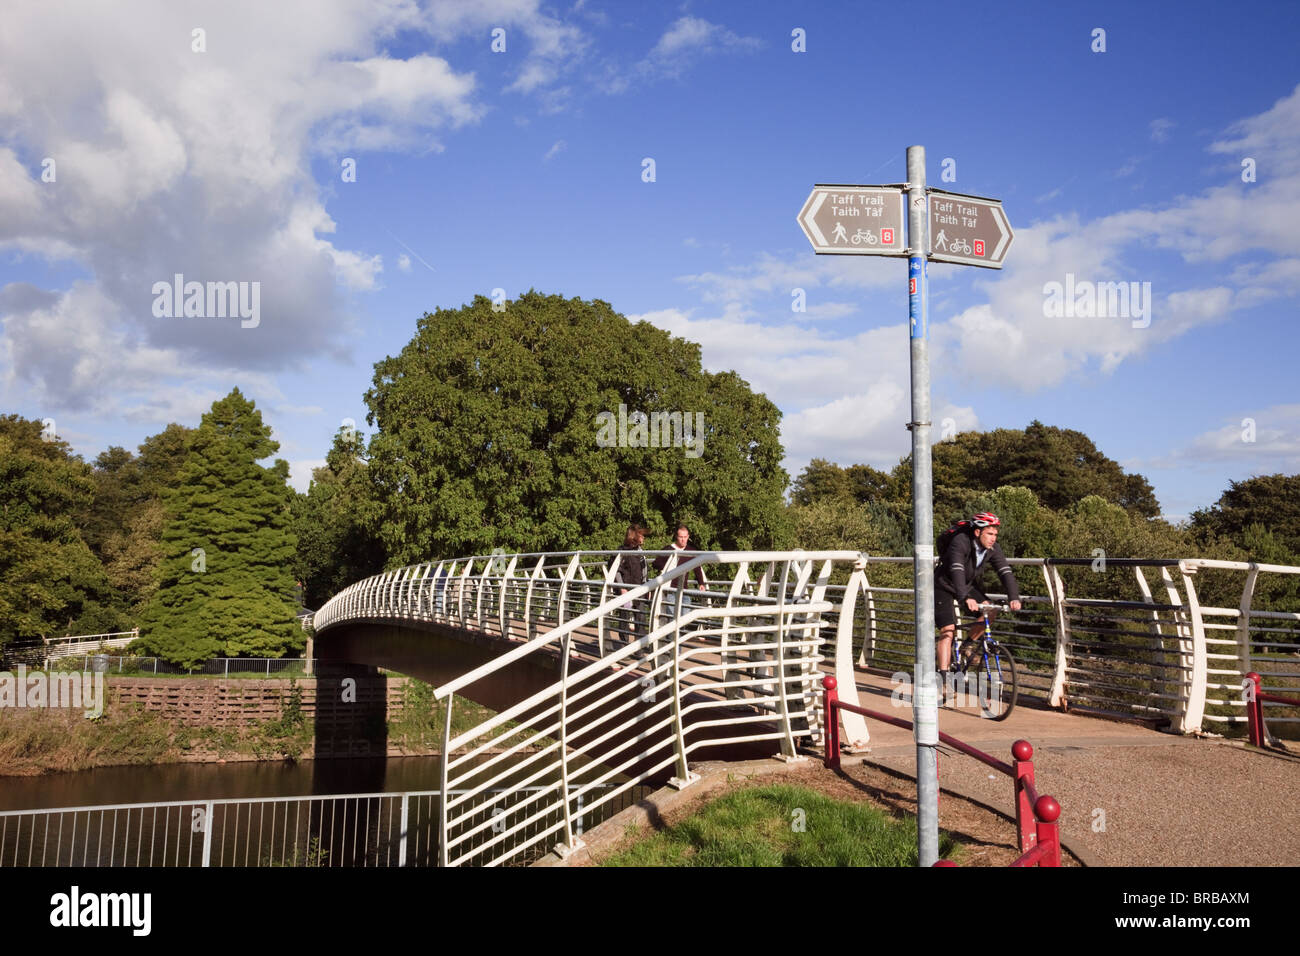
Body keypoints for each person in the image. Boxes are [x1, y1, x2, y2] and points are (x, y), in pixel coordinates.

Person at [934, 512, 1022, 679]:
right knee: (948, 630)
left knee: (990, 610)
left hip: (966, 585)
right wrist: (965, 598)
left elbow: (1005, 571)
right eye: (989, 534)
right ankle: (943, 677)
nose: (993, 538)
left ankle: (966, 646)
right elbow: (957, 569)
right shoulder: (960, 541)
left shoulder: (993, 548)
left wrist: (1014, 597)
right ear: (977, 532)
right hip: (943, 585)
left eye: (995, 534)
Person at [653, 524, 709, 630]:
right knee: (672, 618)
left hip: (684, 589)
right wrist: (669, 566)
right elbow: (655, 563)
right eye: (681, 537)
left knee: (684, 616)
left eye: (685, 537)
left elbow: (697, 568)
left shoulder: (691, 551)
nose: (683, 540)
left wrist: (701, 583)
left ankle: (676, 637)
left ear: (688, 537)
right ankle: (672, 639)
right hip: (670, 590)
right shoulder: (668, 549)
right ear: (676, 537)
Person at [610, 524, 648, 665]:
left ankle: (639, 648)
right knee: (624, 617)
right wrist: (622, 588)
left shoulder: (640, 551)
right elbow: (616, 571)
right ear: (634, 536)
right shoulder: (622, 551)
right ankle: (624, 647)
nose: (643, 538)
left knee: (640, 618)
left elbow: (644, 571)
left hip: (639, 589)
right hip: (626, 590)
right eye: (641, 535)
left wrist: (647, 586)